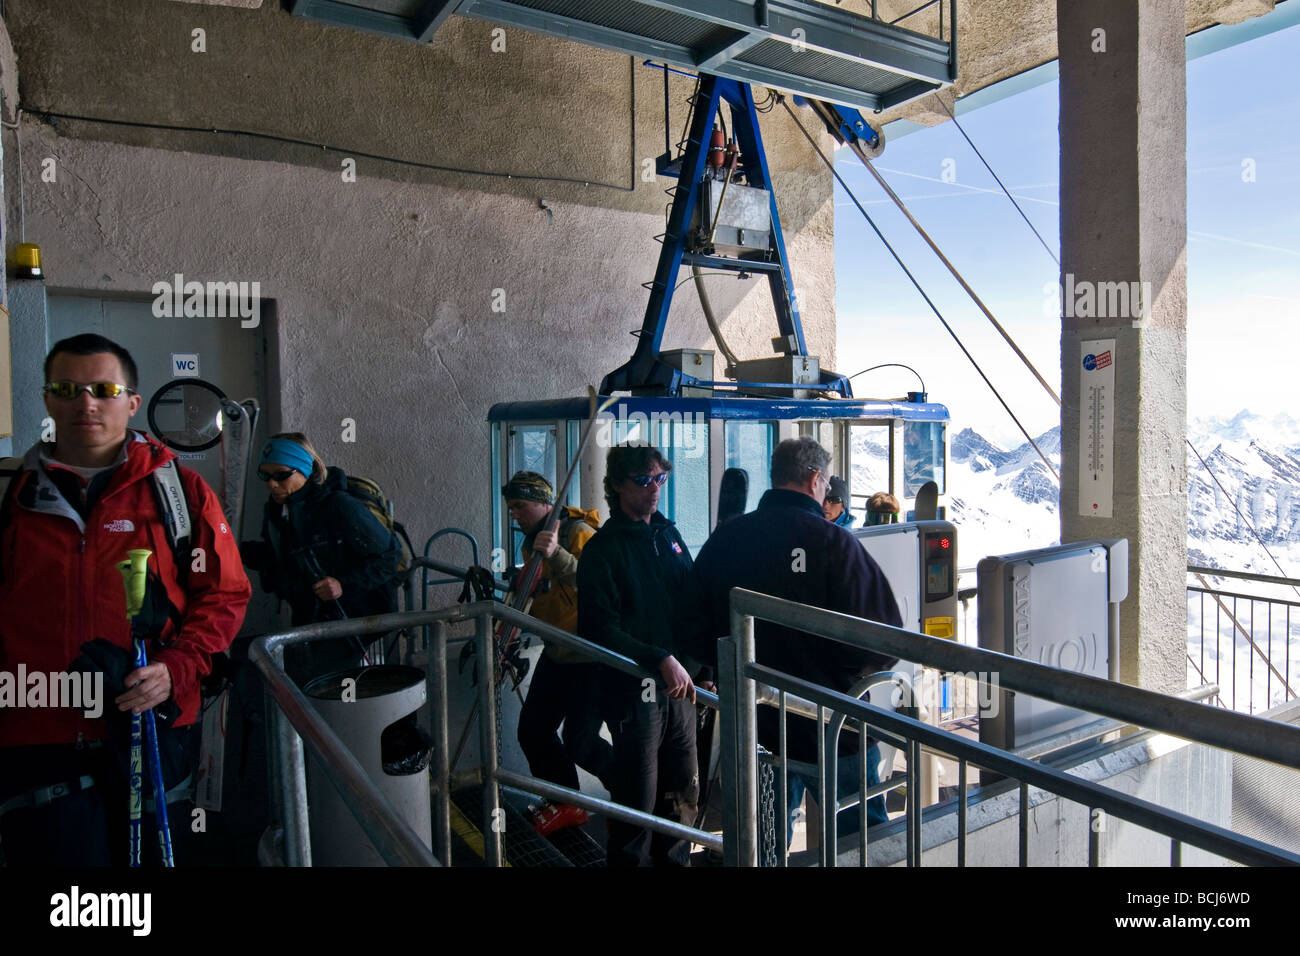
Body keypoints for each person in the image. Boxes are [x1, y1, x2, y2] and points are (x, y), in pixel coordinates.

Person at [0, 334, 251, 866]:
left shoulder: (179, 492)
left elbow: (224, 594)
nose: (86, 403)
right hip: (36, 733)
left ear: (132, 402)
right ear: (47, 399)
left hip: (150, 727)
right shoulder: (13, 498)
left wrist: (177, 667)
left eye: (103, 388)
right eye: (67, 389)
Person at [691, 437, 903, 845]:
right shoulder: (836, 544)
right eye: (825, 485)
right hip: (836, 726)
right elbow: (884, 638)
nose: (826, 493)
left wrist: (723, 668)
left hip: (756, 728)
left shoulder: (728, 539)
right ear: (814, 479)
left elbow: (693, 625)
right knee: (862, 846)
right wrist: (844, 671)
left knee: (763, 847)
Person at [576, 443, 700, 867]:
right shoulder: (601, 551)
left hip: (682, 689)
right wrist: (658, 657)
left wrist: (702, 667)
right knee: (637, 803)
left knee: (682, 793)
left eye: (660, 479)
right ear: (615, 486)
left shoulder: (669, 535)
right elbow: (598, 629)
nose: (654, 489)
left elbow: (692, 603)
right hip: (636, 691)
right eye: (643, 481)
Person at [501, 470, 613, 836]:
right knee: (533, 731)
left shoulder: (577, 533)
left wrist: (557, 553)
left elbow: (596, 583)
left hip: (589, 655)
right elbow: (541, 591)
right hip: (557, 651)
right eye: (511, 507)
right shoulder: (531, 542)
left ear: (544, 503)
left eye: (520, 505)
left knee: (580, 742)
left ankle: (636, 791)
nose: (514, 514)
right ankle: (569, 803)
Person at [241, 433, 401, 683]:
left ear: (304, 470)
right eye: (266, 475)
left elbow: (390, 557)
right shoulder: (276, 509)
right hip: (313, 613)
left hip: (356, 614)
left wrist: (342, 584)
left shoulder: (340, 506)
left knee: (320, 684)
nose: (271, 484)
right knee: (306, 683)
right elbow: (279, 556)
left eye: (281, 475)